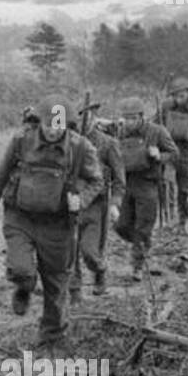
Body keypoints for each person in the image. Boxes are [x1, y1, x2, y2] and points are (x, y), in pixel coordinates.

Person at [0, 96, 102, 354]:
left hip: (58, 224)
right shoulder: (21, 141)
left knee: (56, 282)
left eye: (59, 125)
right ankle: (23, 287)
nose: (53, 129)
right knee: (22, 269)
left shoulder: (81, 148)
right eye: (49, 123)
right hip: (20, 218)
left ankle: (52, 336)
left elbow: (96, 182)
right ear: (39, 122)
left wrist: (80, 200)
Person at [111, 97, 178, 278]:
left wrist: (159, 156)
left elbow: (174, 153)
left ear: (141, 117)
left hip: (148, 184)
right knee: (121, 225)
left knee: (143, 225)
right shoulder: (120, 132)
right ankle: (143, 244)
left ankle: (138, 265)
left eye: (132, 118)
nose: (129, 122)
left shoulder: (157, 131)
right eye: (126, 118)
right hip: (126, 183)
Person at [68, 99, 124, 298]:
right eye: (82, 115)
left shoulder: (108, 143)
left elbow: (119, 179)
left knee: (90, 251)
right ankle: (74, 287)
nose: (87, 120)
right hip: (71, 203)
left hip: (96, 205)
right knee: (70, 249)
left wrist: (115, 204)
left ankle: (100, 271)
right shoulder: (69, 141)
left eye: (90, 115)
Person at [158, 77, 188, 229]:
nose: (180, 98)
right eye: (177, 95)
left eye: (183, 95)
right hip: (168, 150)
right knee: (166, 183)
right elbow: (155, 124)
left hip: (187, 153)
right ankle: (167, 218)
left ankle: (182, 221)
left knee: (184, 189)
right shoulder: (165, 107)